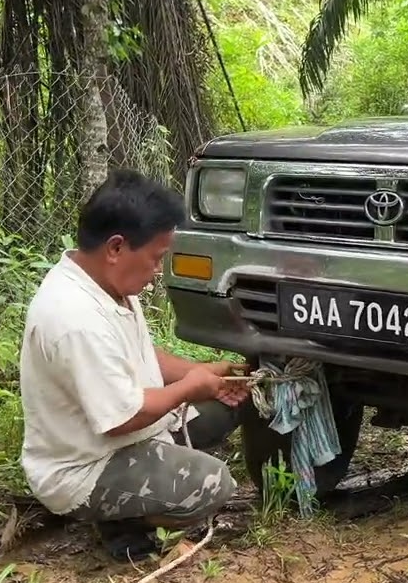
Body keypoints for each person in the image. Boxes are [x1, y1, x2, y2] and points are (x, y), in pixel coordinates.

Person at [18, 168, 252, 562]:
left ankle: (134, 499)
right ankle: (120, 522)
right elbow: (121, 418)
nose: (158, 270)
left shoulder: (107, 286)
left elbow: (141, 356)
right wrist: (190, 387)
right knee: (212, 483)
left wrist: (202, 370)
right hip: (87, 466)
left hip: (132, 433)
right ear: (116, 248)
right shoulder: (75, 318)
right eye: (156, 258)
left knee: (229, 403)